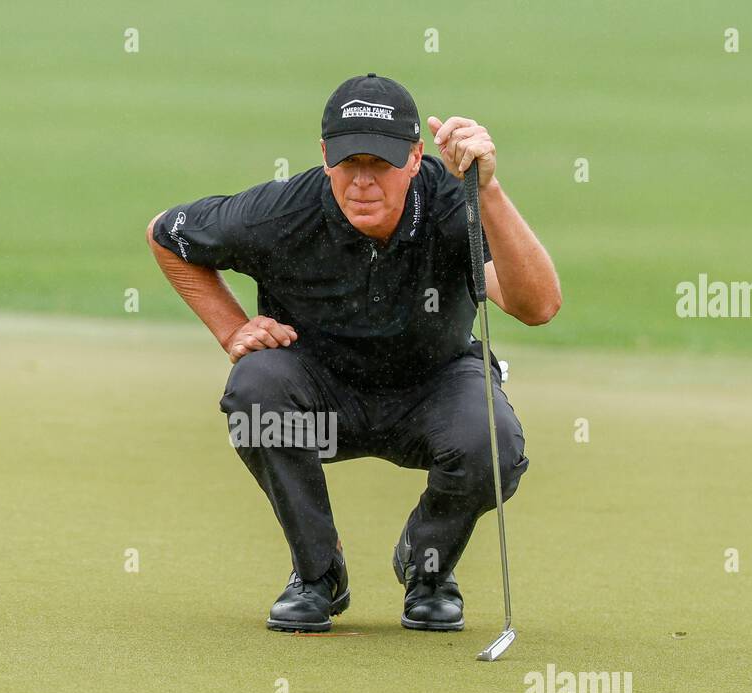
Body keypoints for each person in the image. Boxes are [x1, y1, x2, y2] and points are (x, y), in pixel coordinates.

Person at [147, 73, 560, 633]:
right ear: (324, 157)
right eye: (349, 163)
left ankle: (428, 568)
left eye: (381, 165)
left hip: (432, 393)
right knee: (256, 386)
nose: (363, 182)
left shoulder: (452, 204)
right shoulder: (282, 212)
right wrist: (232, 329)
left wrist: (486, 191)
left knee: (491, 440)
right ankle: (318, 573)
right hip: (322, 402)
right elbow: (167, 235)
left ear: (415, 158)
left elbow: (536, 306)